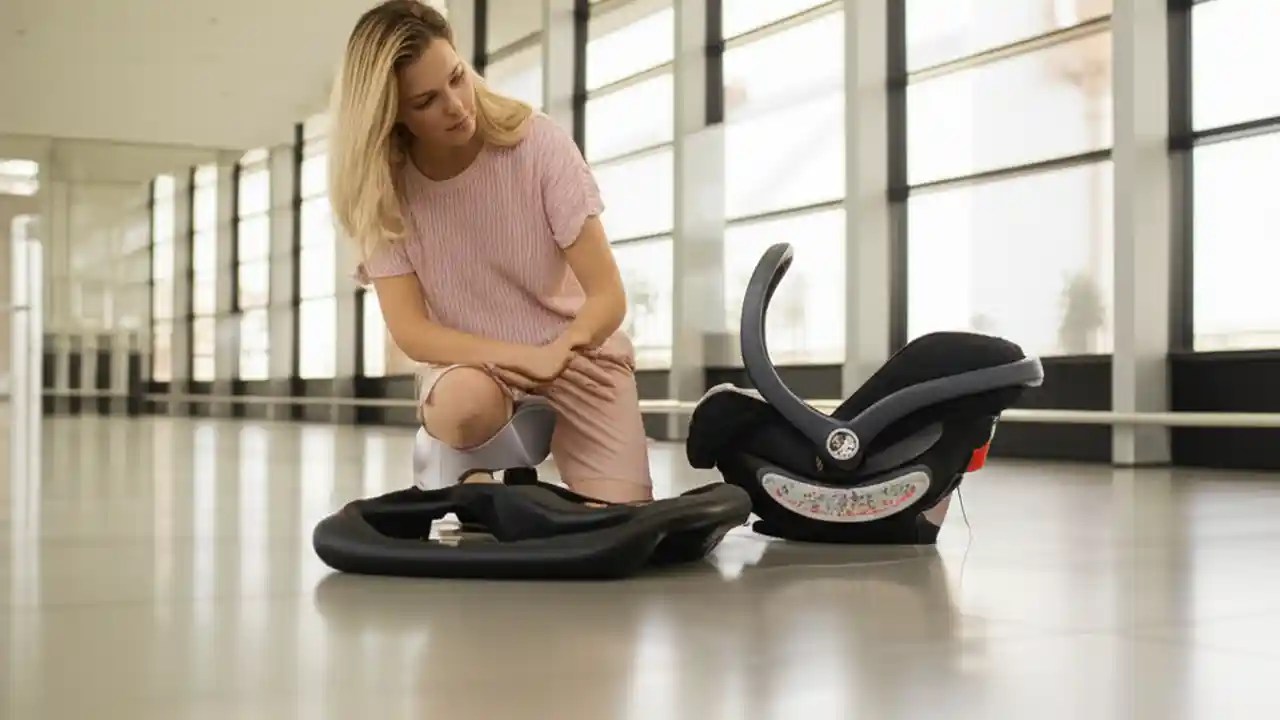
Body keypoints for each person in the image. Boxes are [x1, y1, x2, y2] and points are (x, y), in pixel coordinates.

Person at [328, 0, 652, 504]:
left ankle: (499, 474)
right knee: (463, 406)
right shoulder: (382, 191)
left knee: (624, 516)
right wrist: (521, 357)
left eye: (457, 78)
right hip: (475, 368)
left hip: (576, 352)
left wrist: (560, 352)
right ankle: (468, 466)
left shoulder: (538, 142)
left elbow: (608, 294)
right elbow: (413, 332)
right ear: (392, 115)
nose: (456, 106)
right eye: (426, 101)